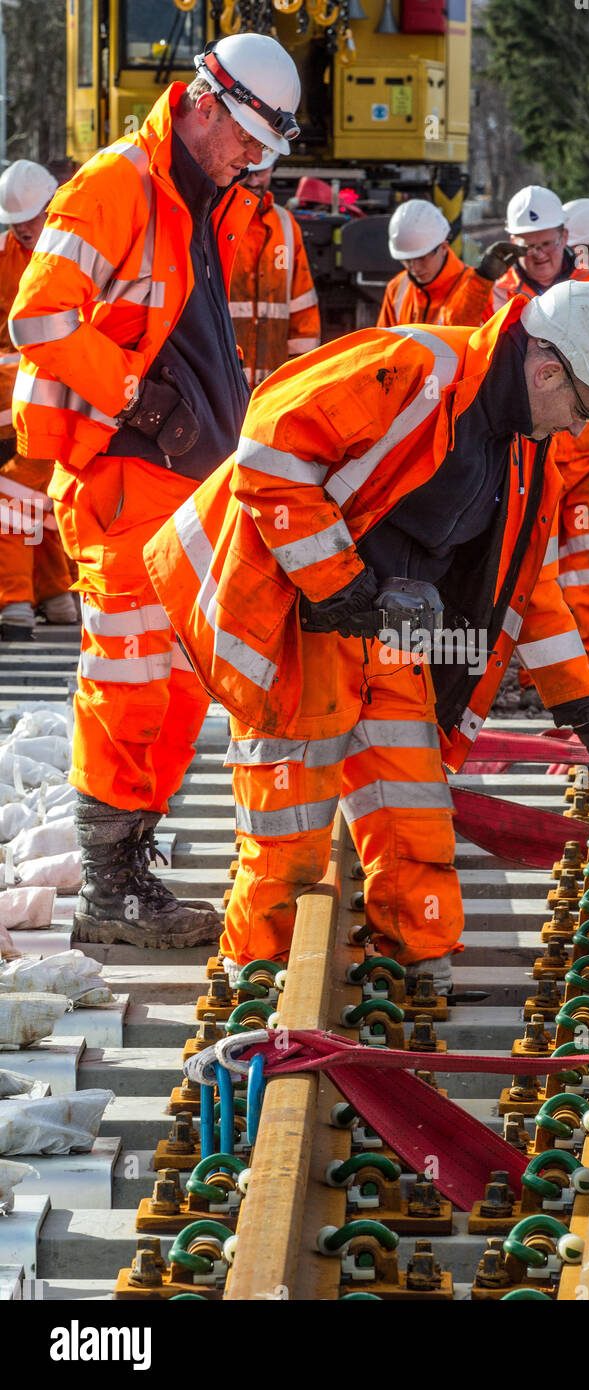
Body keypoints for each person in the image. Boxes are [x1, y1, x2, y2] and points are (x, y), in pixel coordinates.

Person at [144, 279, 589, 991]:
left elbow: (527, 587)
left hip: (385, 633)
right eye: (583, 407)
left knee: (413, 806)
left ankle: (418, 958)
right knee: (289, 833)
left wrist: (582, 711)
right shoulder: (414, 371)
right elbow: (269, 447)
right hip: (296, 617)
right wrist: (337, 582)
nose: (576, 426)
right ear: (545, 371)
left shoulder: (524, 452)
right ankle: (255, 976)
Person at [9, 32, 302, 948]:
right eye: (247, 140)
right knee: (130, 681)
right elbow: (41, 315)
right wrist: (136, 395)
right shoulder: (117, 184)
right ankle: (112, 896)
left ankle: (131, 872)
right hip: (125, 474)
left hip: (182, 482)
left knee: (173, 686)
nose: (252, 161)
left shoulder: (196, 196)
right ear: (207, 104)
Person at [491, 186, 589, 683]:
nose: (538, 256)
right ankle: (537, 677)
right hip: (524, 455)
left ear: (565, 237)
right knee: (526, 568)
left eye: (547, 243)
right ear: (513, 246)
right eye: (527, 246)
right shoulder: (498, 296)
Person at [0, 160, 76, 640]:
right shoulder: (10, 253)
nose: (24, 231)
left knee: (15, 499)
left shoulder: (72, 249)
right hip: (21, 408)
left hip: (60, 403)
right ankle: (55, 596)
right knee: (35, 503)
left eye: (29, 220)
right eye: (16, 225)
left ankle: (14, 604)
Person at [229, 147, 320, 387]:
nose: (255, 180)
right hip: (223, 383)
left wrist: (302, 376)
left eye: (262, 172)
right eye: (248, 173)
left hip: (273, 385)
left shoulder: (286, 225)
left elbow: (302, 307)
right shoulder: (216, 221)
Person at [378, 200, 515, 328]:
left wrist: (480, 284)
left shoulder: (479, 289)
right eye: (407, 260)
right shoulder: (397, 288)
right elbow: (383, 345)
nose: (414, 268)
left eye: (422, 258)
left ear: (443, 247)